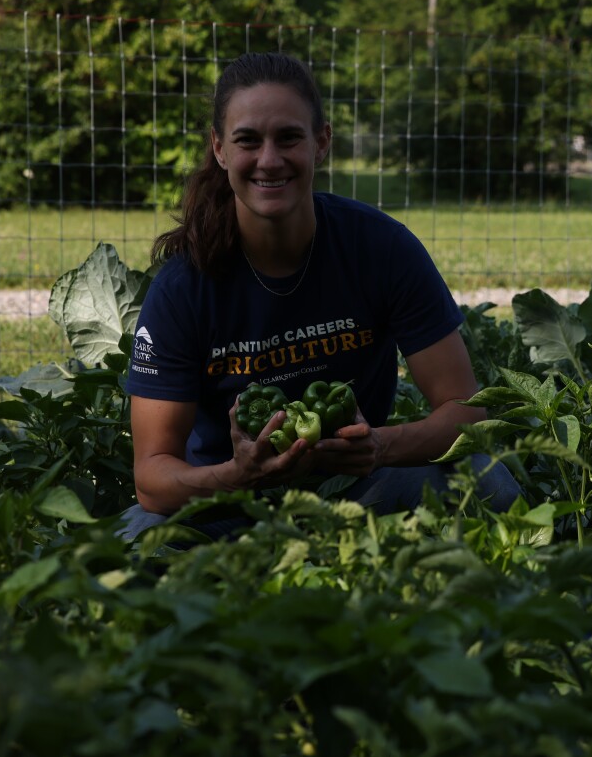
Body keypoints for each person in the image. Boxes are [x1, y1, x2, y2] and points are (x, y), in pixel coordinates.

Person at [117, 52, 516, 541]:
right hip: (228, 504)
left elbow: (467, 413)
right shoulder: (183, 287)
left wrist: (379, 447)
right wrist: (239, 474)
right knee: (136, 541)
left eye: (288, 137)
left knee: (490, 480)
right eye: (248, 140)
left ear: (321, 142)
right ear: (220, 149)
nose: (269, 159)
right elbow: (153, 480)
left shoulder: (380, 247)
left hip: (360, 487)